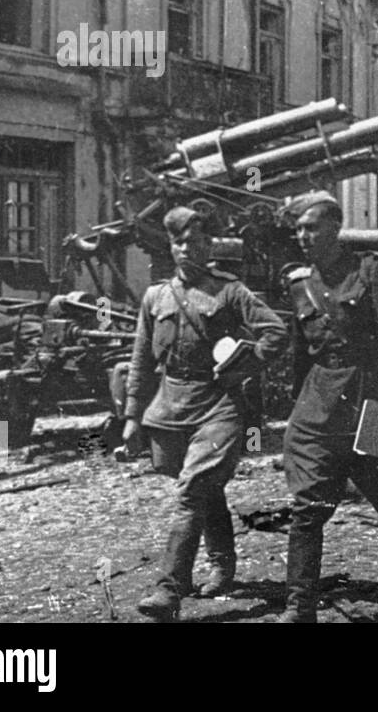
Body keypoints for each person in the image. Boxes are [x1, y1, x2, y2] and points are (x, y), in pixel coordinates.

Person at [124, 206, 288, 622]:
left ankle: (169, 589)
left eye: (195, 241)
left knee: (192, 491)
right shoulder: (155, 297)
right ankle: (223, 561)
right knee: (203, 486)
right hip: (170, 406)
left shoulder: (229, 292)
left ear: (209, 245)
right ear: (171, 245)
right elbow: (142, 359)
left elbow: (275, 332)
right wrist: (131, 415)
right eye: (179, 242)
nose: (186, 249)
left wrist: (245, 365)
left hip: (220, 405)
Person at [278, 191, 378, 622]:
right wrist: (295, 402)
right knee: (307, 507)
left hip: (370, 397)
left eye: (312, 227)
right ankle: (299, 606)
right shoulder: (298, 281)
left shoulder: (371, 270)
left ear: (335, 227)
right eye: (299, 229)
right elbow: (300, 351)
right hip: (320, 400)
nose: (304, 236)